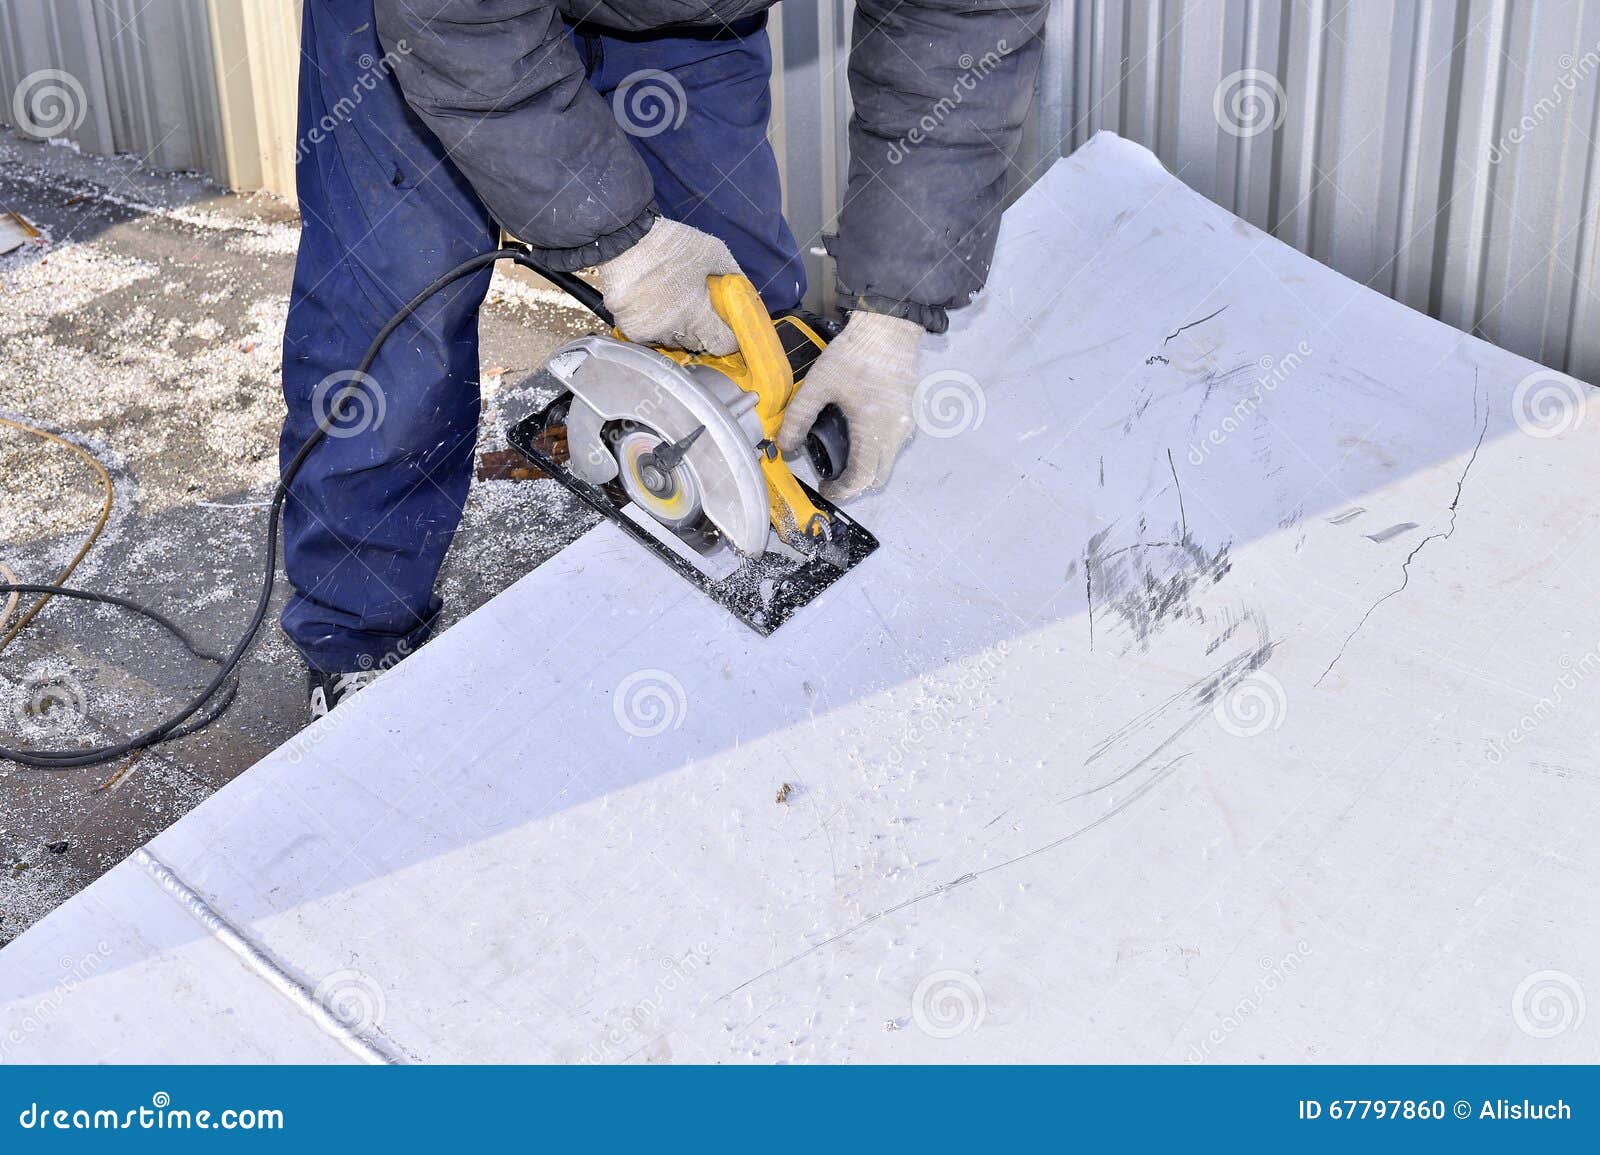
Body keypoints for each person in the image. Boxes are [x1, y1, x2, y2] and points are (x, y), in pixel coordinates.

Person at [282, 0, 1048, 717]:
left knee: (737, 308)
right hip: (443, 21)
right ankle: (357, 635)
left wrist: (893, 314)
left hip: (683, 17)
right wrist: (618, 236)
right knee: (397, 326)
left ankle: (711, 518)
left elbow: (963, 22)